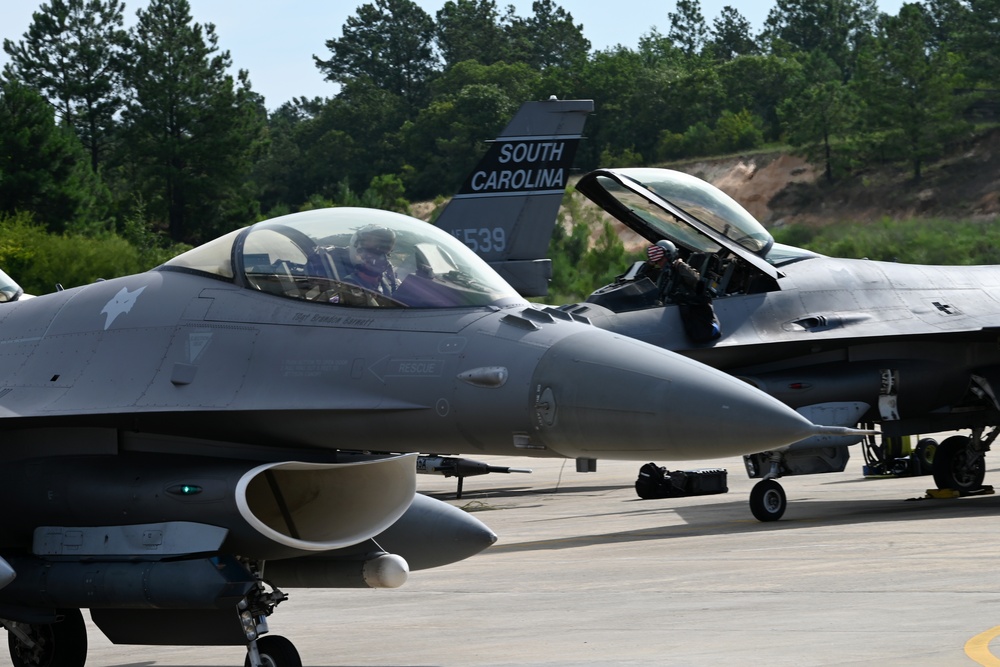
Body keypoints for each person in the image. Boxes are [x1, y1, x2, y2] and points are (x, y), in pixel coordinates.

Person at [646, 240, 721, 343]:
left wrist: (681, 266)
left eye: (660, 259)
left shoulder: (679, 268)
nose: (658, 262)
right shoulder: (664, 273)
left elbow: (696, 280)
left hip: (682, 312)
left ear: (668, 255)